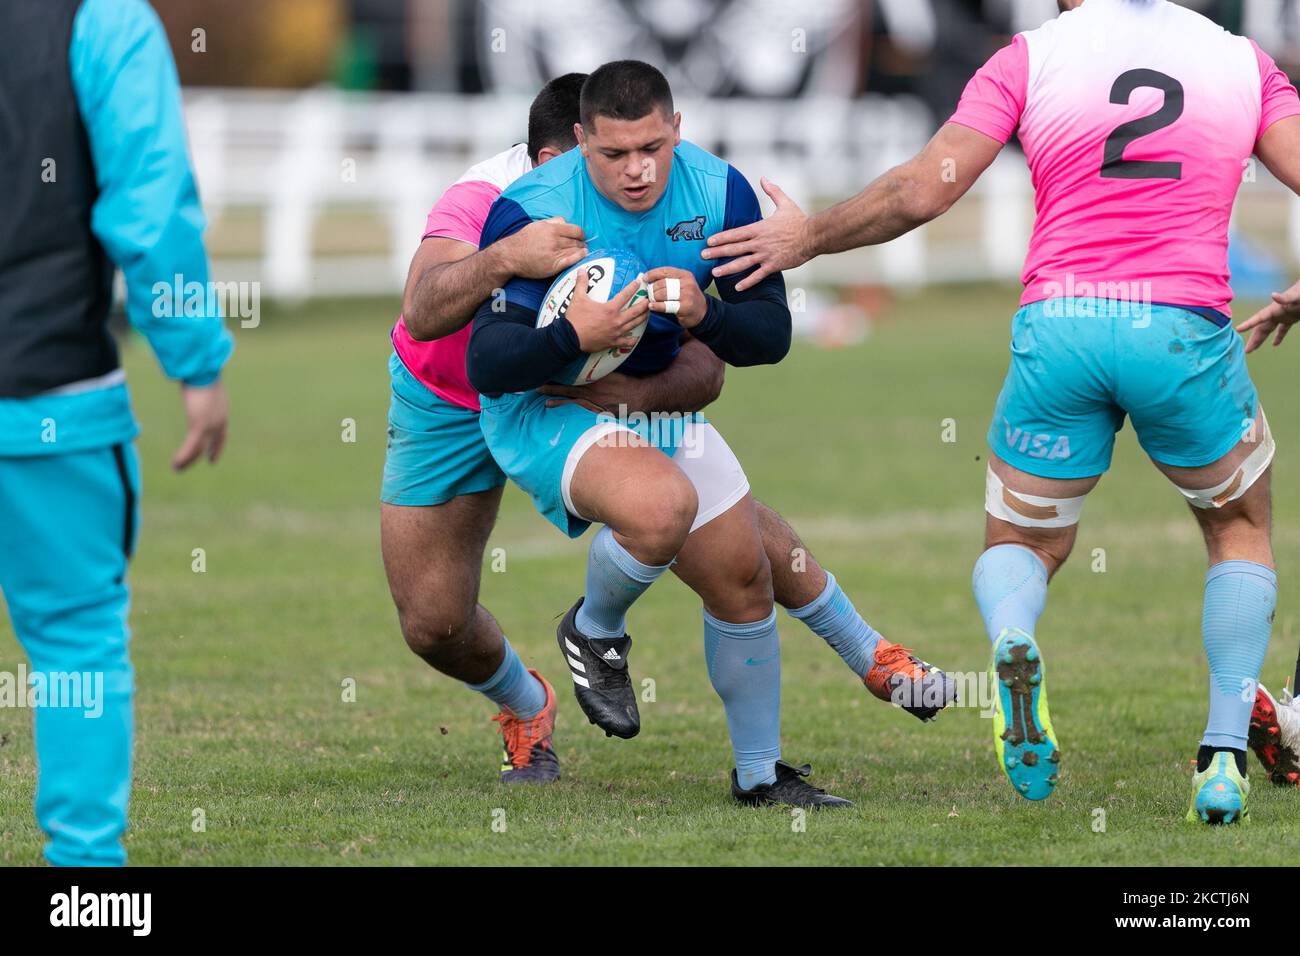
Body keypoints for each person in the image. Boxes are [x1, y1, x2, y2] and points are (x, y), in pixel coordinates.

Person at [702, 0, 1300, 823]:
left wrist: (807, 238)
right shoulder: (1239, 61)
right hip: (1180, 334)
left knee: (1023, 541)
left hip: (1061, 330)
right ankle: (1224, 756)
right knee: (1237, 529)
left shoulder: (1032, 56)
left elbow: (922, 192)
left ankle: (1015, 644)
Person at [0, 0, 233, 864]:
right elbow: (151, 203)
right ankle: (84, 887)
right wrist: (197, 362)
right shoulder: (101, 18)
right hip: (46, 392)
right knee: (75, 645)